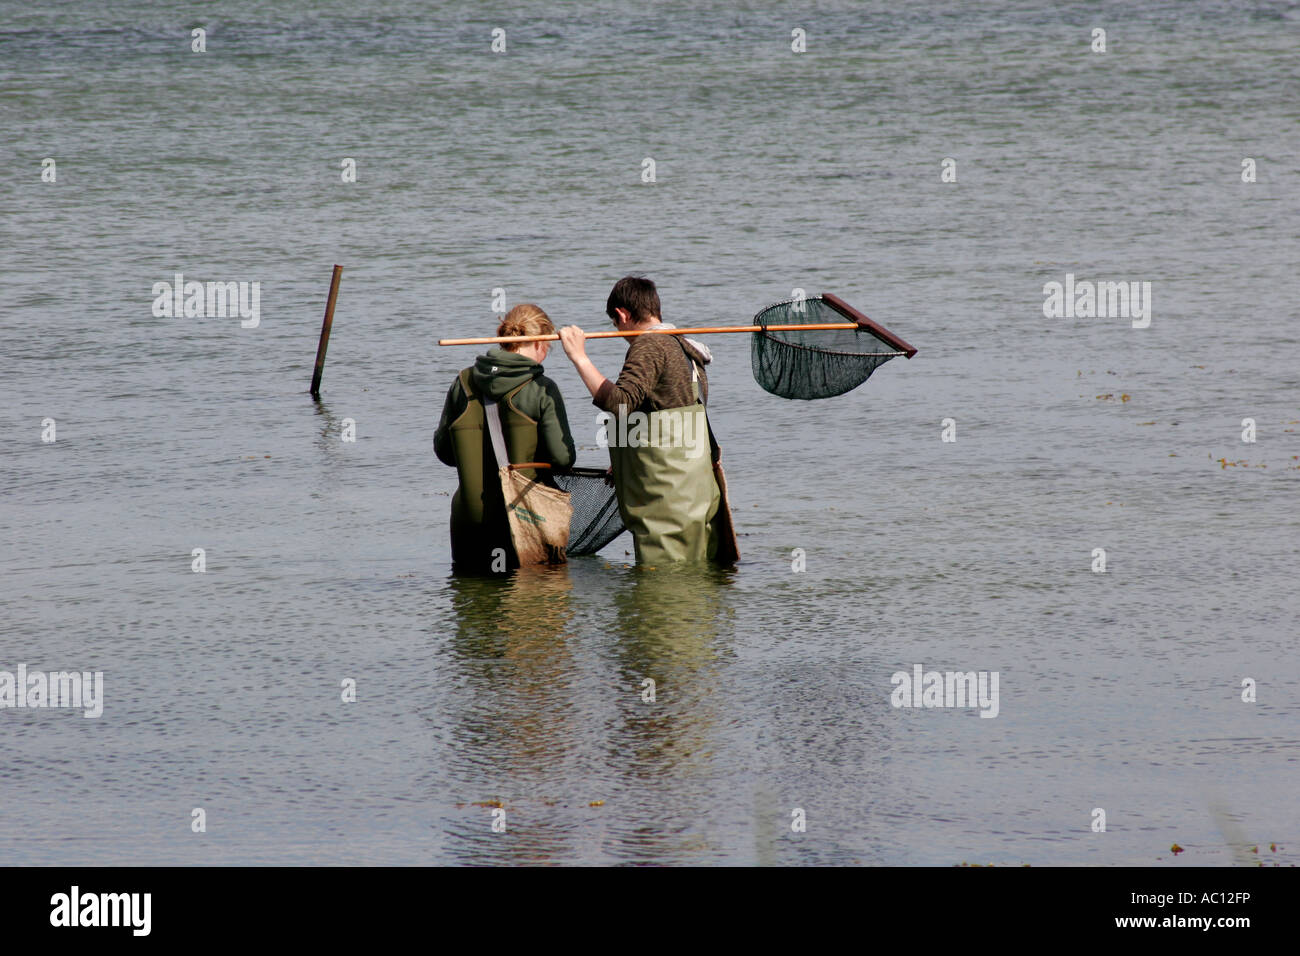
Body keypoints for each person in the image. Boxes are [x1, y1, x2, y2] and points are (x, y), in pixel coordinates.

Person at [559, 276, 727, 565]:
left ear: (622, 314)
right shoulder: (684, 347)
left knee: (662, 581)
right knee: (696, 572)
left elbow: (621, 402)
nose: (618, 332)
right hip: (697, 490)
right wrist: (628, 458)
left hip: (666, 499)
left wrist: (579, 357)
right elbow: (665, 410)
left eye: (615, 324)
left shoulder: (649, 345)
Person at [435, 304, 576, 571]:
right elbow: (563, 458)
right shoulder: (542, 389)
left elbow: (444, 452)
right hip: (523, 523)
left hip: (468, 524)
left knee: (473, 595)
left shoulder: (462, 382)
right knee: (534, 594)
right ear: (539, 341)